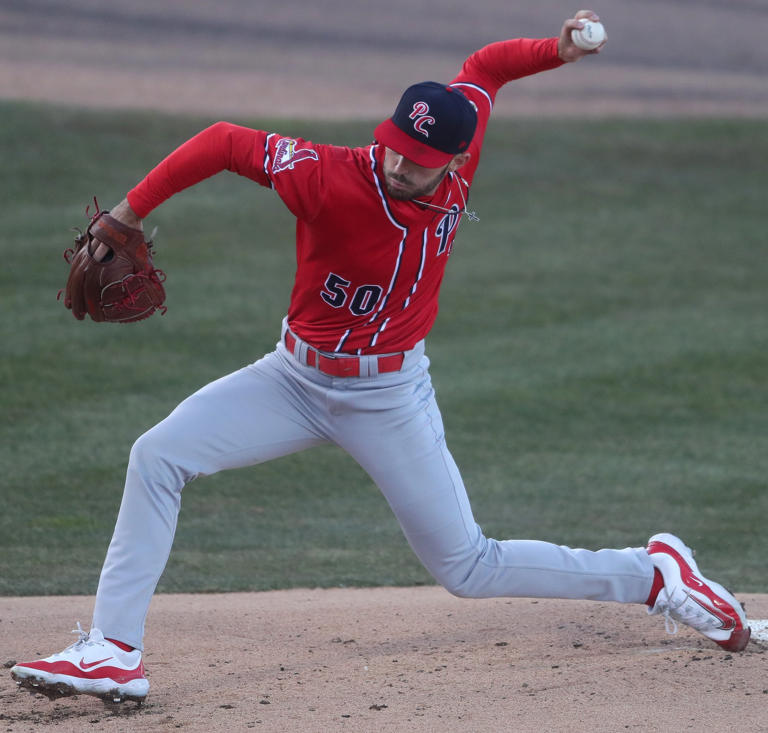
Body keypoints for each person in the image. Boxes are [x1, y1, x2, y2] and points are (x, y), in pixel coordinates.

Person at [11, 10, 750, 704]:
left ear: (456, 159)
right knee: (158, 454)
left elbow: (485, 71)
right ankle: (112, 649)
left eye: (421, 159)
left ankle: (653, 575)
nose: (400, 164)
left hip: (388, 398)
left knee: (467, 566)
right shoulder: (326, 175)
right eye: (397, 143)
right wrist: (126, 214)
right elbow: (221, 141)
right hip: (293, 379)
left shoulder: (463, 146)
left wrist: (555, 53)